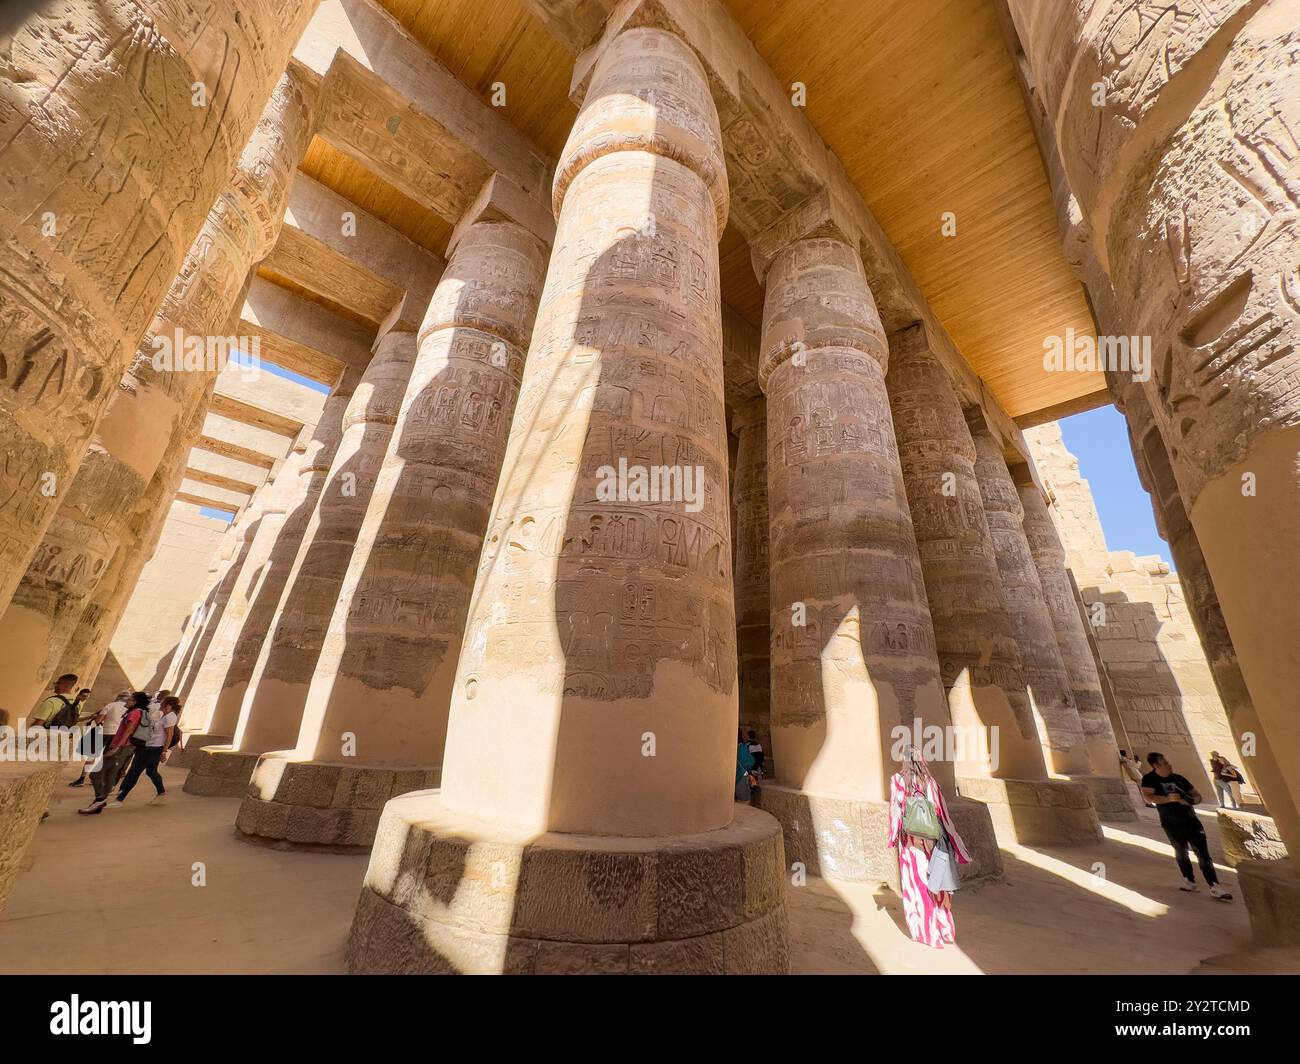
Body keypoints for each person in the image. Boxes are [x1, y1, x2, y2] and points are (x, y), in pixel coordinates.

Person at [1140, 752, 1232, 900]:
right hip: (1171, 823)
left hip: (1191, 820)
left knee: (1203, 853)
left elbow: (1197, 796)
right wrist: (1167, 798)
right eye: (1165, 763)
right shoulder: (1149, 779)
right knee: (1181, 852)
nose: (1169, 764)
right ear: (1156, 765)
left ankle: (1214, 885)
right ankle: (1189, 880)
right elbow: (1147, 797)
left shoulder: (1179, 779)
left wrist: (1191, 801)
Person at [79, 693, 149, 814]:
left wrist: (117, 746)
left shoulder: (135, 713)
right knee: (110, 774)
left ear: (135, 702)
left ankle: (100, 800)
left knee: (95, 774)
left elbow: (129, 730)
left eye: (130, 699)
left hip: (121, 747)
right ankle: (99, 802)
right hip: (125, 747)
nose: (127, 701)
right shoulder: (139, 712)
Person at [112, 693, 177, 806]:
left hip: (153, 748)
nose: (160, 706)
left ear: (169, 706)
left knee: (134, 771)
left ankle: (120, 798)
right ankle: (161, 792)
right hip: (149, 746)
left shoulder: (170, 717)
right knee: (151, 772)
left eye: (163, 705)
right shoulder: (163, 715)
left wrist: (164, 751)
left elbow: (169, 735)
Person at [735, 729, 757, 803]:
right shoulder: (742, 747)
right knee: (745, 801)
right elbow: (748, 762)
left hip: (732, 777)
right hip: (741, 776)